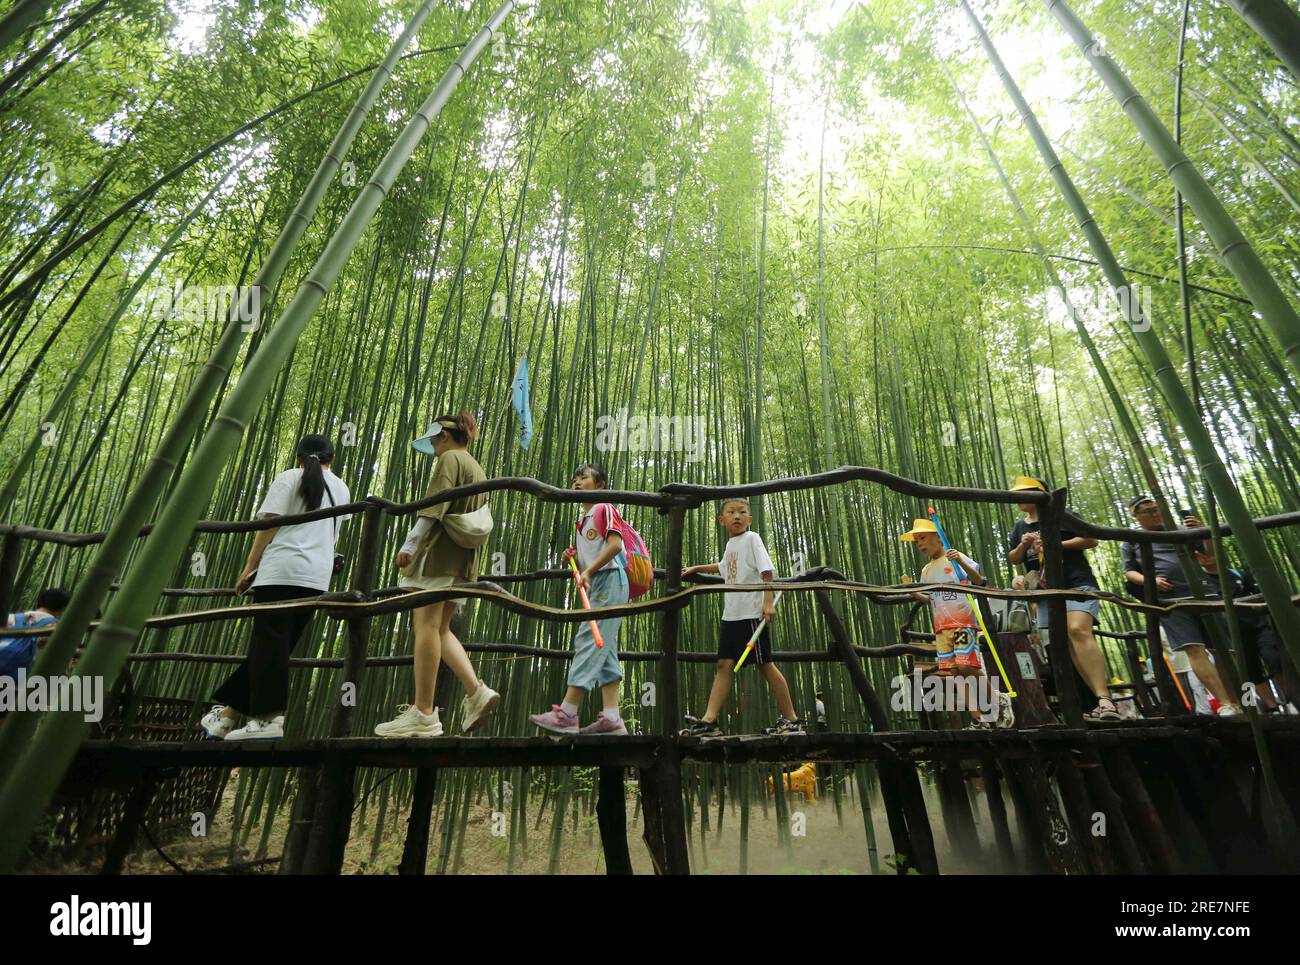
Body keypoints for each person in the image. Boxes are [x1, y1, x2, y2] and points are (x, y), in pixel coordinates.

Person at [200, 435, 349, 741]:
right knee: (271, 650)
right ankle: (227, 717)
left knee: (269, 647)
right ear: (331, 458)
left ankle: (270, 720)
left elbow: (268, 525)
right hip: (316, 578)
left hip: (281, 571)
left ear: (298, 456)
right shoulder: (342, 487)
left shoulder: (289, 478)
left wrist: (250, 566)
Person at [376, 412, 500, 738]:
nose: (432, 444)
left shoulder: (449, 461)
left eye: (433, 438)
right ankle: (476, 690)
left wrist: (410, 546)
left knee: (426, 626)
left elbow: (434, 508)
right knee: (442, 628)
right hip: (463, 561)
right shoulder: (476, 466)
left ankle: (424, 713)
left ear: (444, 435)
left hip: (438, 555)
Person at [679, 497, 804, 737]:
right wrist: (696, 568)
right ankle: (709, 721)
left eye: (742, 512)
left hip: (751, 613)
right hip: (732, 614)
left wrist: (768, 604)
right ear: (722, 520)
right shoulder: (731, 545)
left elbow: (766, 571)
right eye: (731, 512)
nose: (737, 516)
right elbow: (724, 566)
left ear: (749, 518)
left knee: (764, 664)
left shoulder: (752, 538)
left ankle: (792, 719)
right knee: (723, 664)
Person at [1005, 475, 1120, 721]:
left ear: (1038, 493)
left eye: (1023, 492)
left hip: (1076, 582)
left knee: (1078, 630)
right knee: (1066, 643)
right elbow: (1014, 558)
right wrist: (1025, 546)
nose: (1018, 497)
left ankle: (1105, 698)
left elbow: (1091, 539)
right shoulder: (1020, 526)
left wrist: (1054, 543)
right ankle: (1099, 702)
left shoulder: (1062, 514)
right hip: (1045, 591)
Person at [528, 463, 630, 736]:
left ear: (600, 486)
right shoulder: (583, 519)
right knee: (604, 647)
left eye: (584, 477)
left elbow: (615, 545)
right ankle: (612, 718)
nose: (576, 482)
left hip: (609, 579)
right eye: (574, 478)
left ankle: (568, 713)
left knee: (589, 638)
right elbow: (596, 546)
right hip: (599, 582)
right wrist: (575, 556)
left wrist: (588, 569)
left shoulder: (603, 507)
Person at [1121, 495, 1241, 717]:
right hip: (1170, 600)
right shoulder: (1131, 539)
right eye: (1148, 511)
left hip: (1203, 591)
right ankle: (1225, 703)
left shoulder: (1181, 530)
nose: (1155, 513)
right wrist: (1151, 581)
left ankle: (1239, 701)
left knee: (1225, 650)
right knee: (1194, 648)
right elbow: (1129, 572)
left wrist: (1203, 532)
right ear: (1136, 516)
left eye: (1157, 508)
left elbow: (1209, 554)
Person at [900, 518, 1012, 729]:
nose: (920, 544)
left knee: (964, 665)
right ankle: (977, 718)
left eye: (922, 538)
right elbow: (929, 599)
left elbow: (979, 581)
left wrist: (959, 560)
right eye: (916, 542)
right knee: (954, 672)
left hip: (963, 621)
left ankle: (998, 699)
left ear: (937, 536)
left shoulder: (955, 557)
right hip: (941, 627)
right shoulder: (926, 571)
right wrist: (913, 592)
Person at [1194, 546, 1297, 714]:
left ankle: (1291, 699)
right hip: (1231, 634)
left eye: (1210, 552)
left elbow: (1260, 594)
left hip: (1258, 626)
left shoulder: (1237, 574)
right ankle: (1271, 708)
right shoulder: (1200, 581)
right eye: (1200, 555)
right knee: (1250, 671)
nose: (1206, 557)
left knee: (1275, 660)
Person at [1, 587, 70, 684]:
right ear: (62, 608)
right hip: (18, 679)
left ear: (40, 601)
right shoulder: (54, 627)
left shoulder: (11, 617)